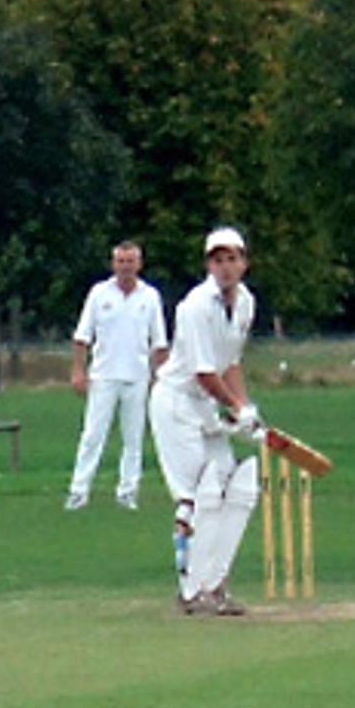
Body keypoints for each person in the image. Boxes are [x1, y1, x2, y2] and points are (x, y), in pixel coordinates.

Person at [148, 227, 263, 616]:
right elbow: (203, 372)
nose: (226, 267)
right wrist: (235, 406)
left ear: (244, 263)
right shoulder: (194, 306)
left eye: (232, 259)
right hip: (176, 403)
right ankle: (190, 589)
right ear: (208, 266)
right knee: (195, 496)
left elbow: (230, 363)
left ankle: (215, 586)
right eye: (218, 260)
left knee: (229, 486)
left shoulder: (246, 303)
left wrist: (245, 407)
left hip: (205, 405)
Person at [64, 241, 169, 511]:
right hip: (103, 376)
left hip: (137, 377)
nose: (125, 267)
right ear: (113, 264)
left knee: (133, 439)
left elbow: (159, 343)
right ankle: (78, 491)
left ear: (139, 264)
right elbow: (82, 337)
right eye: (121, 261)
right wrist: (78, 371)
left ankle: (128, 492)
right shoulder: (99, 294)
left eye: (130, 261)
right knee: (92, 436)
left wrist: (160, 377)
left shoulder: (150, 296)